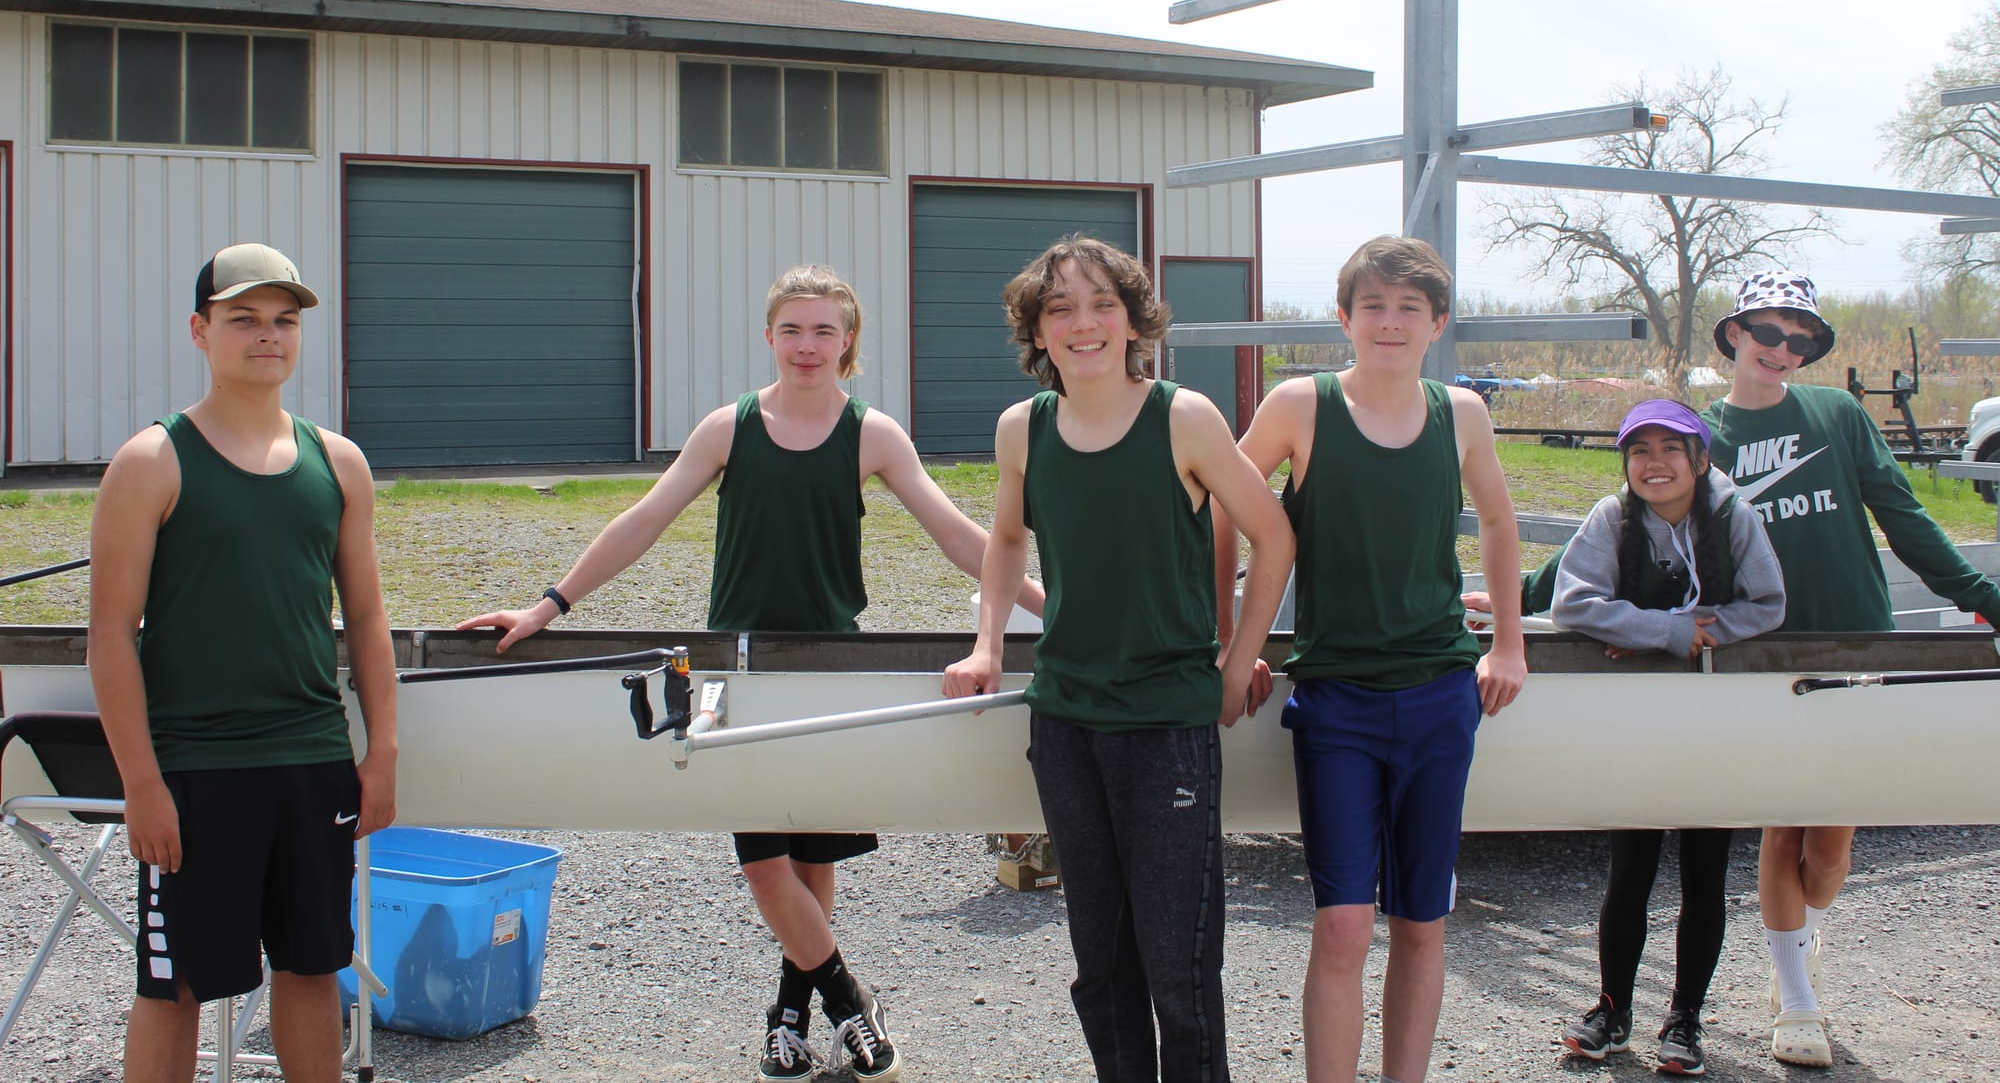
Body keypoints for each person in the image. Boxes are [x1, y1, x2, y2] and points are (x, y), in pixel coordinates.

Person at [460, 264, 1042, 1083]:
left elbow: (958, 537)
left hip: (830, 666)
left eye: (825, 330)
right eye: (793, 329)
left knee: (812, 858)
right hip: (736, 671)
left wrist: (1055, 608)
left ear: (849, 344)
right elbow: (645, 519)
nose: (808, 345)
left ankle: (789, 1018)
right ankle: (852, 1004)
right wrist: (548, 604)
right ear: (770, 336)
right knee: (764, 863)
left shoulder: (872, 433)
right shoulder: (728, 428)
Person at [943, 235, 1293, 1083]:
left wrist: (1236, 658)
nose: (1083, 323)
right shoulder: (1021, 429)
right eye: (1059, 308)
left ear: (1136, 319)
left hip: (1168, 724)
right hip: (1066, 724)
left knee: (1179, 969)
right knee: (1101, 965)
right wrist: (989, 641)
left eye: (1102, 303)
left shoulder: (1184, 417)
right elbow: (1005, 539)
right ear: (1037, 331)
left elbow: (1275, 534)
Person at [88, 243, 399, 1083]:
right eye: (244, 319)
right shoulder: (152, 461)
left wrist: (380, 752)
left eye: (284, 321)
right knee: (176, 983)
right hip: (196, 769)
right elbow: (110, 635)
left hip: (311, 761)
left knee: (308, 970)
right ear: (201, 330)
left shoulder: (338, 463)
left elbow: (366, 618)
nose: (268, 336)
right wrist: (142, 782)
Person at [1228, 234, 1527, 1083]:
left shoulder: (1461, 413)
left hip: (1438, 692)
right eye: (1373, 306)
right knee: (1344, 923)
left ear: (1437, 322)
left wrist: (1508, 640)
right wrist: (1236, 644)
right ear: (1344, 317)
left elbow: (1501, 523)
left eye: (1408, 308)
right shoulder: (1300, 405)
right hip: (1337, 702)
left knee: (1423, 923)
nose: (1389, 322)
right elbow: (1220, 508)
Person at [1702, 269, 2000, 1069]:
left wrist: (1985, 595)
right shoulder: (1701, 438)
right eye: (1769, 331)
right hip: (1765, 655)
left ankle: (1803, 935)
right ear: (1734, 333)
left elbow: (1903, 516)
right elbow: (1627, 526)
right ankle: (1795, 996)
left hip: (1858, 646)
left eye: (1800, 340)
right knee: (1781, 821)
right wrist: (1520, 598)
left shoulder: (1837, 415)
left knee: (1828, 848)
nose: (1783, 350)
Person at [1547, 399, 1785, 1077]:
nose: (1655, 463)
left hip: (1716, 717)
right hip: (1637, 719)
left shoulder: (1735, 517)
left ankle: (1684, 1018)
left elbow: (1767, 605)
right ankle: (1612, 1008)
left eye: (1671, 448)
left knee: (1705, 873)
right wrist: (1665, 630)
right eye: (1639, 450)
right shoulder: (1611, 517)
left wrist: (1695, 628)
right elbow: (1573, 602)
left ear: (1701, 459)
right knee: (1631, 869)